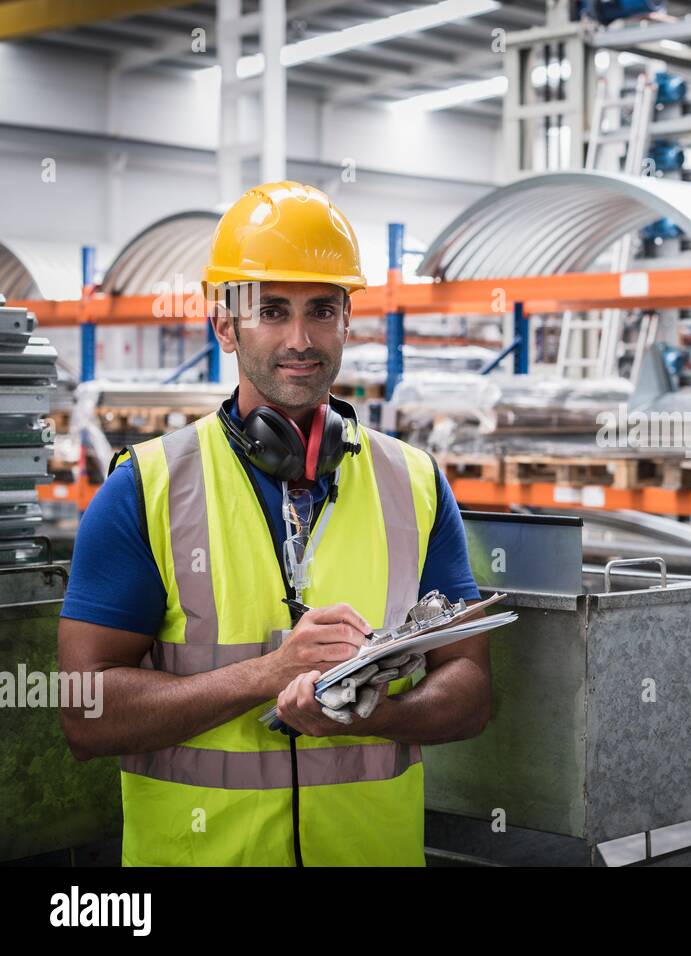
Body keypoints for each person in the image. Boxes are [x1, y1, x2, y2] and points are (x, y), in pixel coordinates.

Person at [58, 181, 490, 866]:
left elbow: (469, 688)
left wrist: (370, 714)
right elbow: (84, 714)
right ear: (224, 324)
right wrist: (270, 673)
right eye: (271, 311)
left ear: (349, 320)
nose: (300, 339)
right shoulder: (145, 490)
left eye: (322, 310)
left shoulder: (413, 484)